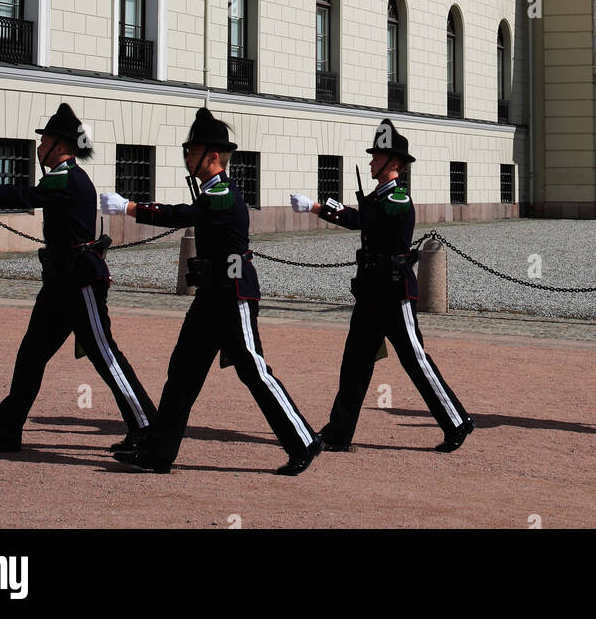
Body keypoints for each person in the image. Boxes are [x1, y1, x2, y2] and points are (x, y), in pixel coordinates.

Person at [104, 108, 321, 476]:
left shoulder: (220, 193)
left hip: (233, 295)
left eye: (193, 151)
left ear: (213, 156)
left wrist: (131, 208)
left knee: (254, 371)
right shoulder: (212, 191)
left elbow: (185, 214)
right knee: (183, 372)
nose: (187, 158)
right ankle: (159, 453)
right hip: (211, 295)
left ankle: (302, 439)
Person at [0, 102, 154, 453]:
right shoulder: (63, 178)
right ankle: (8, 428)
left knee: (104, 354)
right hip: (59, 283)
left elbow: (23, 195)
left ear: (62, 147)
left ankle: (146, 427)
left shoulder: (66, 178)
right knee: (31, 355)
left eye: (46, 142)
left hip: (79, 282)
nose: (40, 148)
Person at [290, 117, 474, 453]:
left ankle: (457, 421)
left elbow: (361, 219)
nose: (372, 161)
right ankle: (338, 432)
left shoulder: (398, 199)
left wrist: (318, 206)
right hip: (371, 292)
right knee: (355, 363)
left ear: (394, 164)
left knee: (415, 360)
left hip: (393, 293)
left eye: (378, 156)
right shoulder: (379, 197)